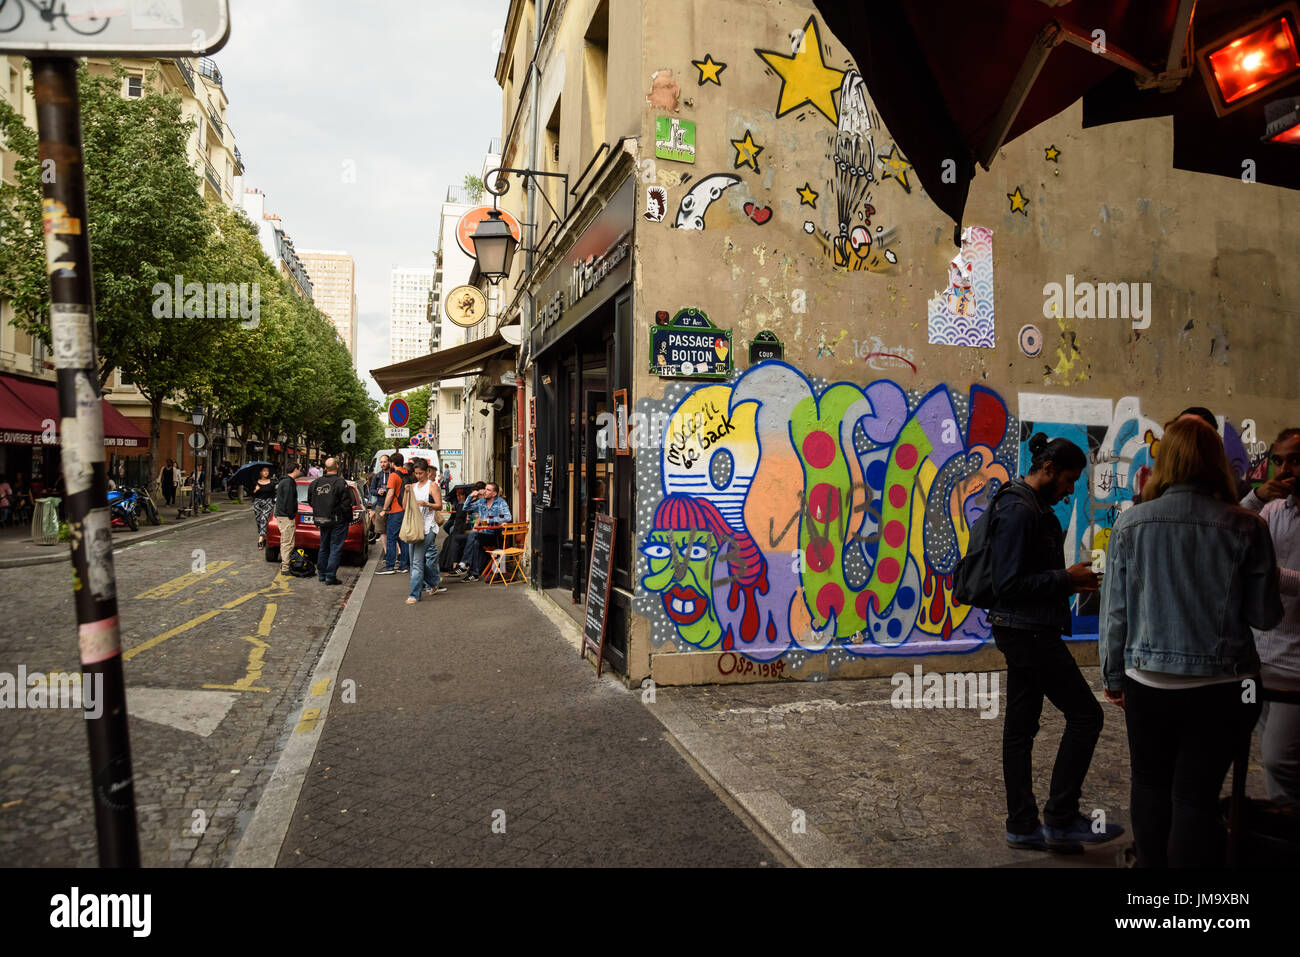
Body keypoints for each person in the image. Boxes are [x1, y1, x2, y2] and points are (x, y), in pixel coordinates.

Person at [1101, 417, 1282, 866]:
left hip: (1148, 682)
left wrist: (1113, 675)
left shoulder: (1130, 524)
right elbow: (1264, 615)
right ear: (1217, 463)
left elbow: (1116, 613)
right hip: (1226, 686)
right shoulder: (1247, 526)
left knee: (1148, 783)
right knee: (1195, 797)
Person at [988, 433, 1120, 853]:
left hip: (1027, 628)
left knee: (1021, 727)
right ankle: (1060, 819)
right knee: (1086, 716)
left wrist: (1065, 577)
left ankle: (1023, 826)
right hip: (1027, 631)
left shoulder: (1032, 505)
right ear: (1047, 469)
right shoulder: (1018, 508)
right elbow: (1007, 583)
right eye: (1067, 480)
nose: (1069, 491)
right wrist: (1067, 579)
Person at [1239, 427, 1300, 807]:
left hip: (1296, 666)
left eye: (1294, 459)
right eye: (1278, 459)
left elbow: (1267, 573)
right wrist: (1253, 497)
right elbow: (1231, 528)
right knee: (1270, 760)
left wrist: (1271, 576)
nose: (1283, 468)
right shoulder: (1274, 508)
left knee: (1281, 759)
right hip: (1260, 661)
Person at [406, 460, 447, 604]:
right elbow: (405, 506)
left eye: (421, 473)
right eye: (416, 473)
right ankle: (434, 581)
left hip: (429, 527)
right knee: (415, 562)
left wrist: (427, 504)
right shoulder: (412, 486)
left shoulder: (433, 486)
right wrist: (406, 493)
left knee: (417, 562)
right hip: (414, 527)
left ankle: (414, 594)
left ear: (427, 472)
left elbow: (439, 505)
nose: (418, 476)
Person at [455, 481, 512, 582]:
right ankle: (472, 572)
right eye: (485, 489)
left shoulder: (500, 502)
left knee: (473, 537)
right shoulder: (481, 502)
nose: (485, 491)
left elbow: (508, 517)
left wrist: (490, 520)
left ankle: (466, 565)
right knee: (475, 541)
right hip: (485, 534)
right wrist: (470, 496)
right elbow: (466, 508)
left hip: (496, 536)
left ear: (494, 494)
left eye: (488, 490)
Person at [308, 457, 351, 586]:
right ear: (337, 466)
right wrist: (348, 518)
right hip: (338, 520)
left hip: (322, 519)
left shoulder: (316, 483)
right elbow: (346, 504)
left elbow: (311, 500)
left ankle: (321, 574)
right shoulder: (340, 482)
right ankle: (330, 576)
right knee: (335, 548)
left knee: (324, 547)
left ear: (325, 468)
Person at [375, 451, 412, 575]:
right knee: (403, 539)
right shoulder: (407, 473)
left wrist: (384, 509)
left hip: (396, 510)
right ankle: (404, 565)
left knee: (391, 538)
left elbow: (390, 493)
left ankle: (389, 565)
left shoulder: (394, 475)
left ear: (392, 463)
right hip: (406, 509)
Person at [274, 462, 304, 575]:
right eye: (300, 469)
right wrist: (291, 514)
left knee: (286, 541)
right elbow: (288, 500)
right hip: (286, 516)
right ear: (295, 469)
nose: (300, 471)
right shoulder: (288, 483)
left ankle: (285, 565)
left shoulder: (285, 481)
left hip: (283, 515)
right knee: (287, 542)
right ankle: (285, 567)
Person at [251, 466, 276, 549]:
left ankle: (260, 540)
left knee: (264, 518)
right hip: (257, 503)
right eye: (264, 471)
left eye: (267, 471)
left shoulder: (272, 482)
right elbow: (252, 494)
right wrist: (255, 490)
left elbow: (274, 494)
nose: (266, 472)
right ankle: (264, 536)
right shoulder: (255, 482)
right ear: (260, 472)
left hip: (268, 503)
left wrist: (273, 501)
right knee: (258, 521)